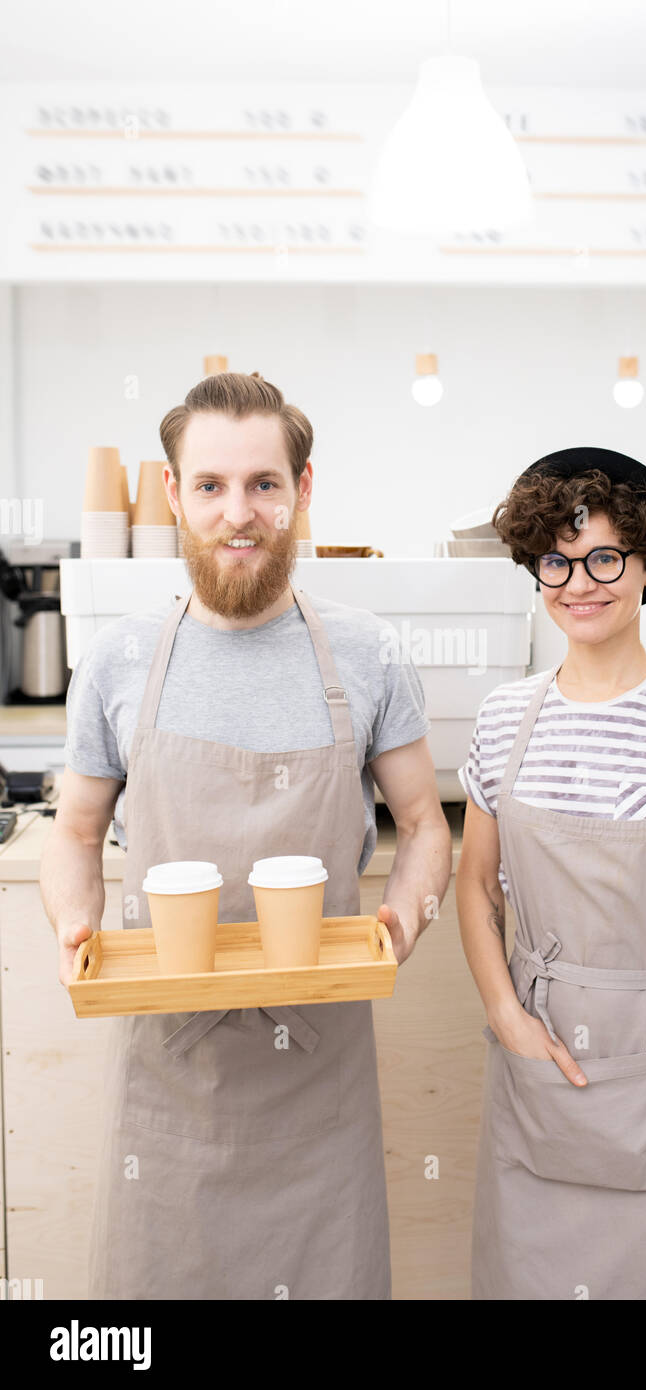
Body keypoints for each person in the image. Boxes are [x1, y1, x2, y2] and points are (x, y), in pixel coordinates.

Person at [41, 370, 452, 1300]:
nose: (240, 513)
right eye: (212, 486)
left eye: (265, 485)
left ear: (303, 493)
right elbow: (73, 834)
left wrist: (402, 921)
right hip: (170, 1073)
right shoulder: (119, 657)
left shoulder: (368, 652)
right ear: (176, 496)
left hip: (320, 1072)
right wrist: (74, 924)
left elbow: (426, 827)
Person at [456, 446, 646, 1301]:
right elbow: (475, 886)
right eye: (556, 560)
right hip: (538, 1067)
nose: (578, 583)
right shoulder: (502, 717)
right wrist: (504, 1015)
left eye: (604, 557)